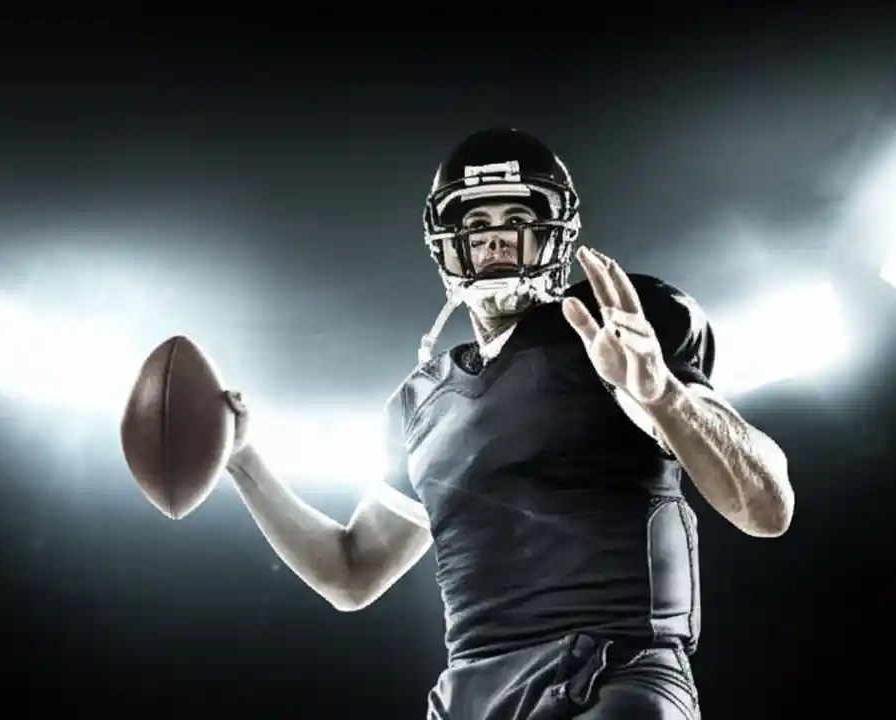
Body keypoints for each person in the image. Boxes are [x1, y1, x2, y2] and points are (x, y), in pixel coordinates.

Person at [221, 127, 794, 719]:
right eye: (476, 223)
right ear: (448, 242)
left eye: (516, 216)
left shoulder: (609, 327)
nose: (495, 237)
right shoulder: (420, 399)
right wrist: (242, 458)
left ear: (553, 231)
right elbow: (350, 572)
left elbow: (767, 507)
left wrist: (662, 393)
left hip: (609, 674)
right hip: (471, 696)